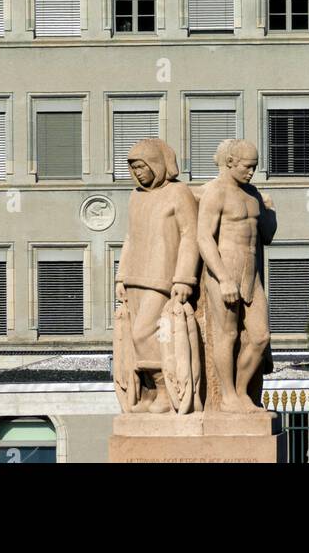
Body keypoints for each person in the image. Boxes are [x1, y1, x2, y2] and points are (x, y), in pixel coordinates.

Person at [114, 138, 200, 413]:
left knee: (146, 333)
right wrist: (120, 276)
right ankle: (150, 391)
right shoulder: (135, 196)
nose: (138, 172)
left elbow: (190, 235)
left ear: (157, 164)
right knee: (135, 337)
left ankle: (166, 389)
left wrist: (185, 278)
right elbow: (129, 237)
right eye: (134, 168)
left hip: (163, 277)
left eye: (141, 166)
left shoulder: (179, 193)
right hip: (135, 276)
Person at [197, 139, 276, 412]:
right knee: (227, 335)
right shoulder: (215, 192)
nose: (251, 172)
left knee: (260, 336)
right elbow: (204, 238)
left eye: (254, 167)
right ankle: (228, 396)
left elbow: (267, 235)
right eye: (247, 166)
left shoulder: (252, 194)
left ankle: (242, 392)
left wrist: (270, 212)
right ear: (230, 162)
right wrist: (222, 278)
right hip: (225, 267)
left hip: (251, 271)